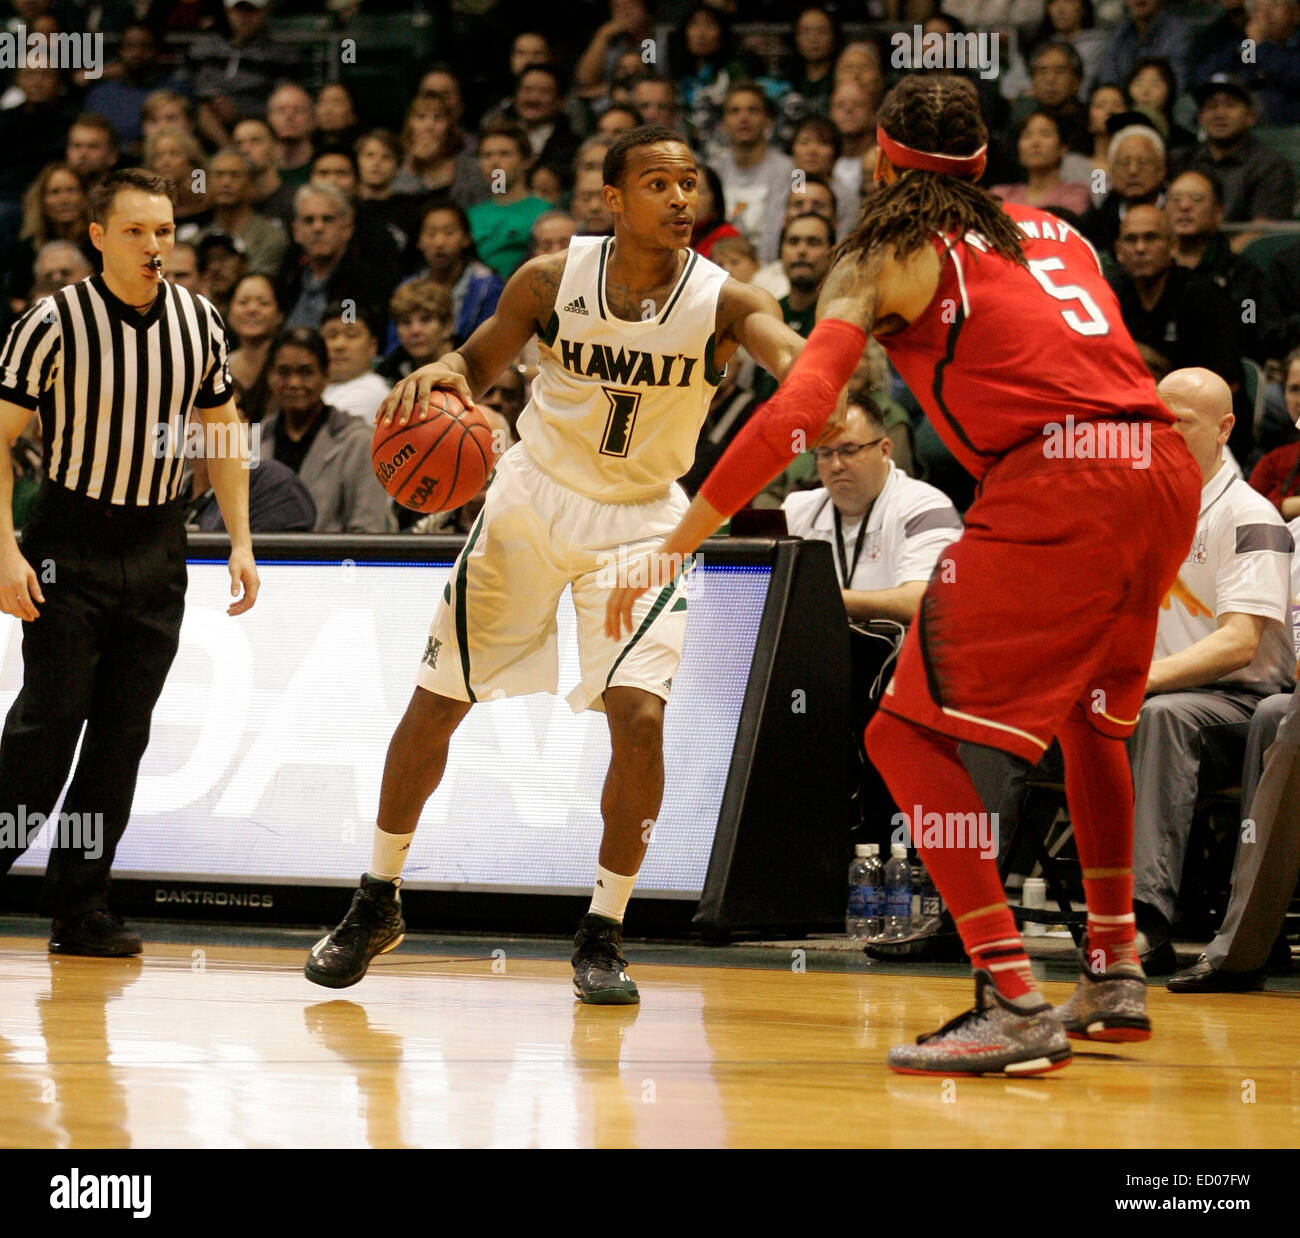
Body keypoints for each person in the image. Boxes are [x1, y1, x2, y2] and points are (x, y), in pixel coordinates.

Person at [606, 76, 1203, 1076]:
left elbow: (801, 408)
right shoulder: (1056, 234)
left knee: (900, 731)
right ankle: (1111, 966)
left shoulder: (881, 251)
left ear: (878, 165)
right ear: (980, 165)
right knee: (1095, 718)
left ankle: (1011, 993)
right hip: (1159, 468)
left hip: (1059, 480)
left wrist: (682, 537)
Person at [303, 125, 812, 1004]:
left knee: (640, 721)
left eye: (690, 183)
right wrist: (443, 373)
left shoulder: (724, 299)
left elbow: (781, 345)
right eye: (658, 183)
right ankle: (376, 897)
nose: (683, 198)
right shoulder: (549, 279)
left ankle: (604, 929)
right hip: (530, 503)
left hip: (645, 524)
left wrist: (809, 368)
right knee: (437, 705)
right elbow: (479, 360)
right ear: (612, 199)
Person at [0, 167, 259, 955]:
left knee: (121, 738)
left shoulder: (201, 321)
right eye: (139, 231)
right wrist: (6, 550)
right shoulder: (52, 322)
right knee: (46, 733)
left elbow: (220, 431)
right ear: (99, 236)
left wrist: (242, 540)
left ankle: (80, 908)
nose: (155, 246)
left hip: (157, 544)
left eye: (166, 231)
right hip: (68, 545)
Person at [1129, 368, 1295, 971]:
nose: (1162, 434)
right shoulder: (1135, 503)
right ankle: (964, 910)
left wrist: (1140, 679)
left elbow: (1238, 645)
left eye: (1181, 423)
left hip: (1239, 707)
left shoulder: (1250, 516)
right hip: (1147, 693)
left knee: (1165, 715)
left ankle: (1144, 923)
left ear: (1225, 428)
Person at [782, 400, 961, 622]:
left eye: (849, 451)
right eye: (825, 453)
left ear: (885, 450)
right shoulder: (795, 510)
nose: (836, 465)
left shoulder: (926, 506)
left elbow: (925, 600)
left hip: (896, 654)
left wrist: (821, 599)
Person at [260, 328, 393, 533]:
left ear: (326, 375)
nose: (294, 383)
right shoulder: (254, 439)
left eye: (306, 373)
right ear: (269, 376)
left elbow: (369, 530)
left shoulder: (358, 441)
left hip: (335, 563)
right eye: (284, 373)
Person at [321, 301, 392, 421]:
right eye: (331, 335)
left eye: (351, 335)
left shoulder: (371, 392)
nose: (339, 345)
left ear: (372, 346)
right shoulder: (315, 388)